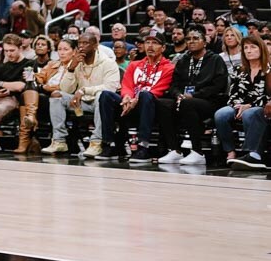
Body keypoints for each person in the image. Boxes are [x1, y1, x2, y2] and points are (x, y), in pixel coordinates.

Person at [97, 34, 176, 164]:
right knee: (105, 95)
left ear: (163, 48)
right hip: (130, 104)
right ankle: (109, 145)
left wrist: (136, 99)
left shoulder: (169, 68)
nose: (150, 46)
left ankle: (143, 147)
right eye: (147, 42)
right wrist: (127, 97)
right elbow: (127, 85)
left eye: (154, 43)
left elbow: (159, 89)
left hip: (152, 106)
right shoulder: (134, 65)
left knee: (145, 94)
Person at [159, 28, 227, 166]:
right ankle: (175, 150)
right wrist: (178, 94)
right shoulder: (183, 60)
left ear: (205, 42)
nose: (191, 42)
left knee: (187, 104)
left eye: (195, 39)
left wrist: (193, 95)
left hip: (210, 101)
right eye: (188, 39)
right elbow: (173, 85)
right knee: (162, 103)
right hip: (184, 99)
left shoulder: (215, 59)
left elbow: (218, 85)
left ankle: (198, 152)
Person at [216, 32, 268, 169]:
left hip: (260, 107)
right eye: (246, 48)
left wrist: (249, 105)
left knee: (250, 113)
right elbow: (233, 93)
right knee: (221, 114)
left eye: (253, 47)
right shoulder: (239, 69)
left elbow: (268, 96)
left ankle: (253, 154)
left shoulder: (269, 70)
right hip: (239, 105)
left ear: (261, 49)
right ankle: (230, 152)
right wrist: (237, 105)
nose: (249, 51)